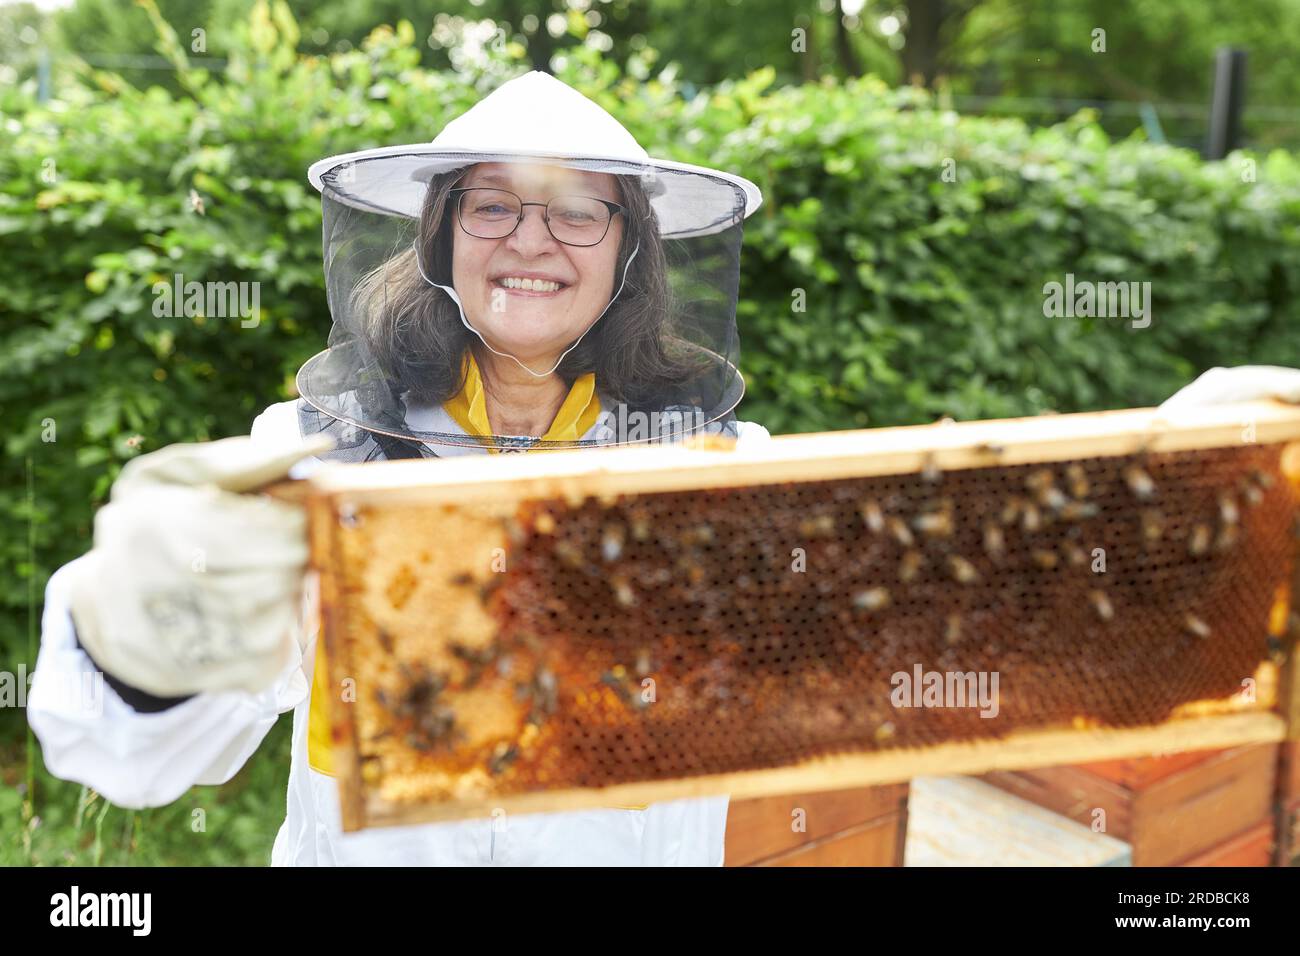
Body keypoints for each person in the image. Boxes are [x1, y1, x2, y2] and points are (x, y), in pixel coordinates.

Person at [27, 71, 1300, 867]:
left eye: (579, 209)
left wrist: (1182, 481)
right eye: (491, 206)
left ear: (630, 250)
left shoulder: (723, 473)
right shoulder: (303, 460)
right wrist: (132, 632)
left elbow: (939, 663)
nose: (533, 239)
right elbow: (131, 761)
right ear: (438, 241)